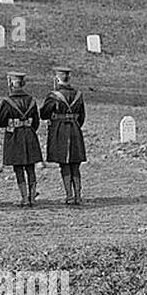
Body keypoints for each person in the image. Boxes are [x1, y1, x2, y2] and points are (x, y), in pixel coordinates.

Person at [40, 66, 87, 206]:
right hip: (75, 129)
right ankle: (78, 195)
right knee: (75, 165)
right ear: (69, 78)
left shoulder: (54, 96)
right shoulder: (78, 95)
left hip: (60, 131)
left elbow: (43, 114)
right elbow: (82, 117)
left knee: (64, 164)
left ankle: (69, 196)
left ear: (57, 78)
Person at [0, 71, 44, 208]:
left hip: (15, 136)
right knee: (30, 168)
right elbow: (36, 122)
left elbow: (0, 121)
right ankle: (32, 198)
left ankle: (24, 198)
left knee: (18, 168)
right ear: (23, 84)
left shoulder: (7, 101)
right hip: (29, 134)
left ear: (11, 83)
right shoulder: (32, 100)